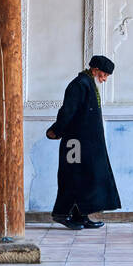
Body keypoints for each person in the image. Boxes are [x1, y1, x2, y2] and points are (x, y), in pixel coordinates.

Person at [46, 55, 122, 229]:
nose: (104, 80)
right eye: (103, 75)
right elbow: (67, 111)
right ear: (94, 70)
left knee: (86, 177)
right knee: (72, 176)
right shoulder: (79, 85)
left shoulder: (88, 84)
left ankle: (81, 215)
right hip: (75, 143)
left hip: (87, 143)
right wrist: (56, 131)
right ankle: (61, 213)